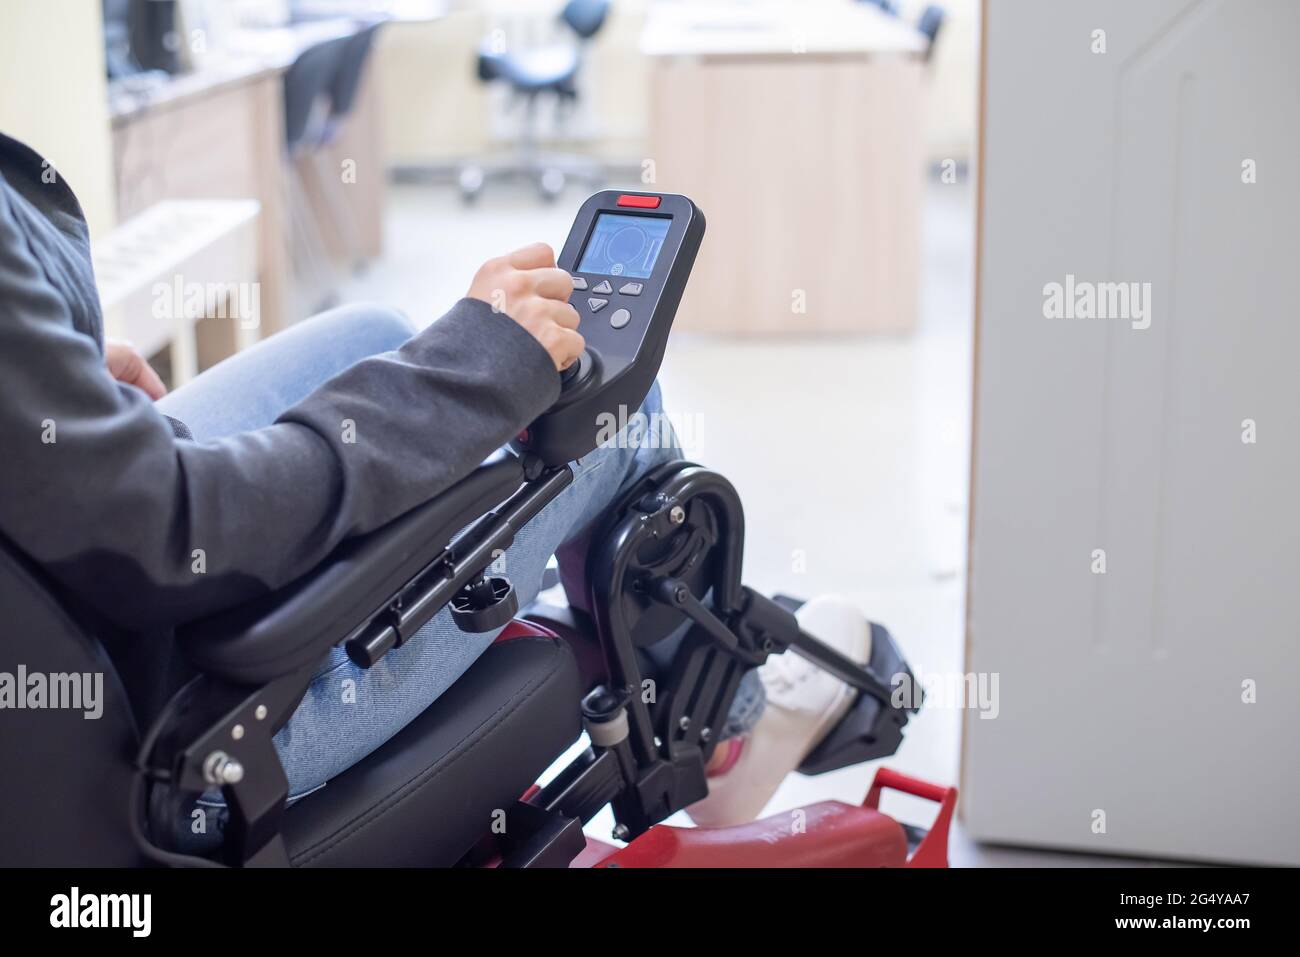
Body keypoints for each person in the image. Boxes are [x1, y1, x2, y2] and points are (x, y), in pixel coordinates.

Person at [0, 131, 869, 851]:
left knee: (373, 333)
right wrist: (468, 372)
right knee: (616, 412)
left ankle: (697, 694)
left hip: (99, 589)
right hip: (184, 718)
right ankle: (724, 740)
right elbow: (172, 529)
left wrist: (68, 387)